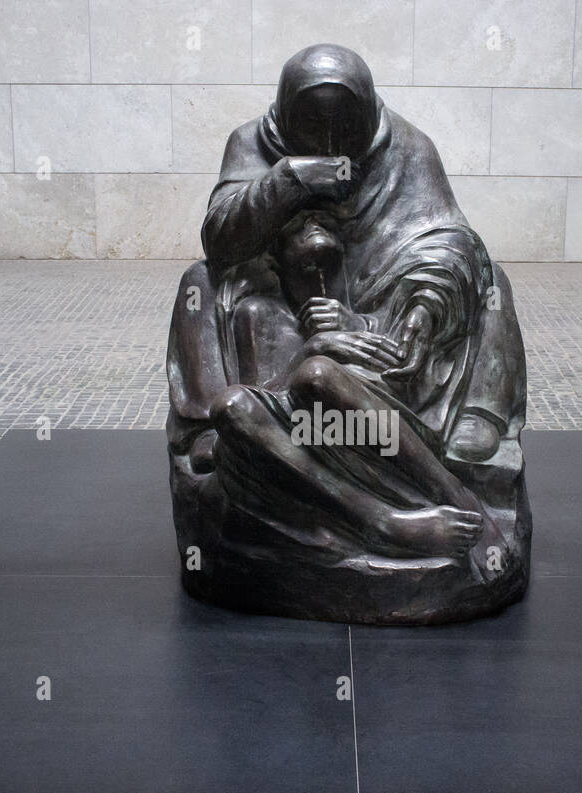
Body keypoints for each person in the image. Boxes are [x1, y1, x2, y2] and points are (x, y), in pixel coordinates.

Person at [167, 42, 526, 572]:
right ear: (286, 115)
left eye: (345, 124)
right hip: (285, 301)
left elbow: (448, 239)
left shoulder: (406, 145)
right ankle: (208, 428)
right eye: (313, 123)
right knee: (199, 282)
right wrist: (289, 180)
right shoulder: (251, 142)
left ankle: (474, 418)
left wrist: (413, 311)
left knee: (489, 280)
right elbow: (220, 239)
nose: (332, 140)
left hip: (382, 298)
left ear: (368, 114)